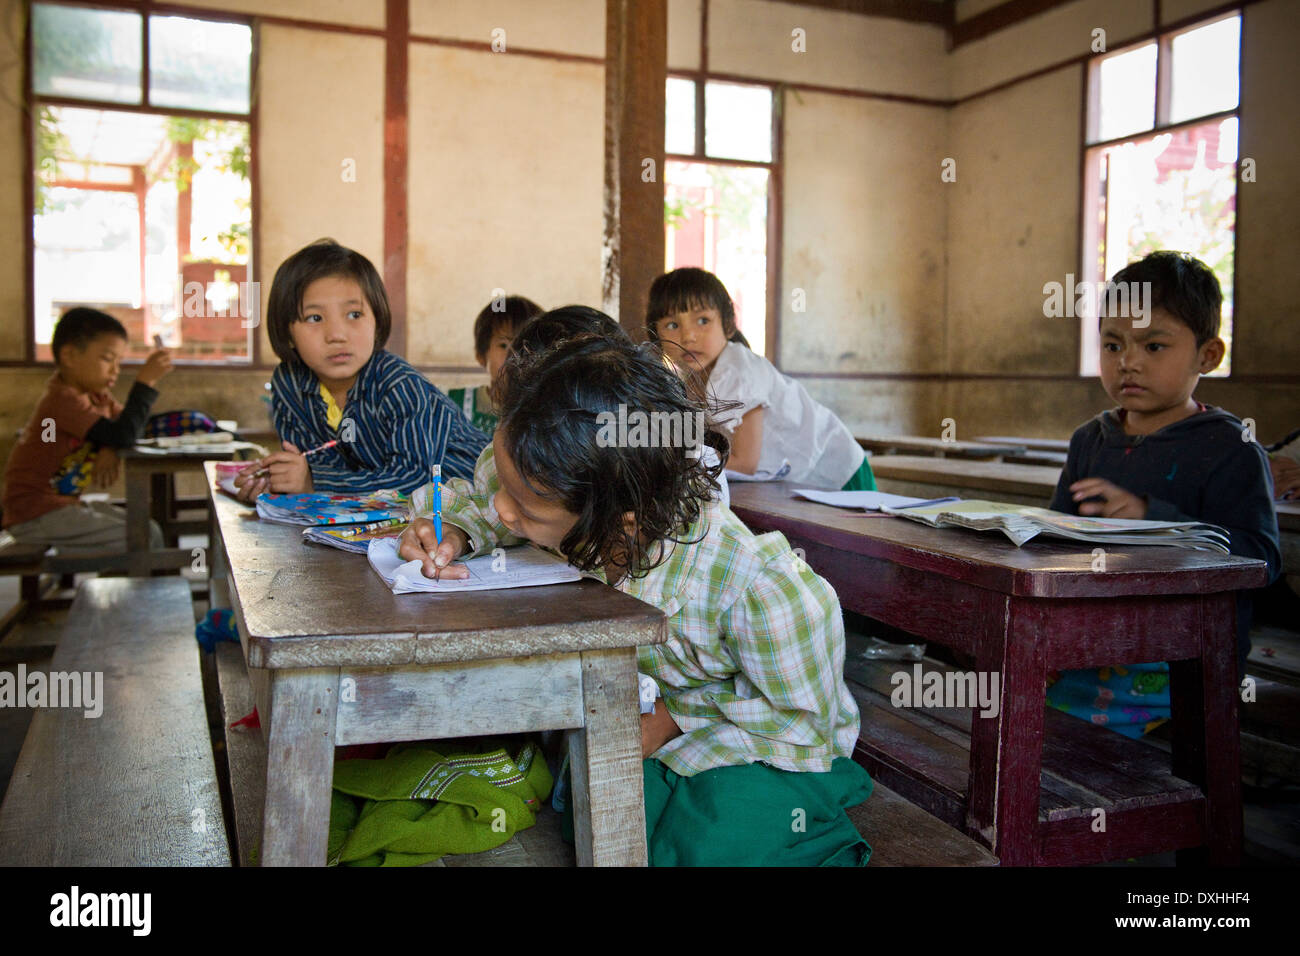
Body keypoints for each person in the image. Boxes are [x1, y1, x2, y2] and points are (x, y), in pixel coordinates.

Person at [400, 330, 872, 866]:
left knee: (713, 837)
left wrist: (673, 718)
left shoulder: (760, 589)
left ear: (617, 522)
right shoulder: (569, 491)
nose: (506, 512)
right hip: (643, 729)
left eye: (526, 509)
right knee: (598, 802)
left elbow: (800, 720)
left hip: (764, 744)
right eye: (507, 489)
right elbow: (485, 505)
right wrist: (455, 531)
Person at [1046, 251, 1281, 737]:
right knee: (1066, 766)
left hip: (1182, 670)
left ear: (1207, 356)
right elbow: (1051, 538)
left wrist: (1156, 522)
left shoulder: (1229, 446)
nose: (1128, 362)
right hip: (1086, 649)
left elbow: (1261, 558)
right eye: (1112, 346)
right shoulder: (1089, 440)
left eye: (1153, 346)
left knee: (1159, 788)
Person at [234, 239, 487, 501]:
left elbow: (414, 479)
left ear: (377, 321)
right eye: (315, 318)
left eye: (354, 314)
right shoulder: (289, 384)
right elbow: (310, 465)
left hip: (483, 499)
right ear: (287, 331)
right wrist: (278, 480)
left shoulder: (398, 383)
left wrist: (314, 481)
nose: (336, 335)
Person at [645, 267, 874, 490]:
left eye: (703, 320)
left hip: (839, 472)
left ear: (727, 324)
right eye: (672, 325)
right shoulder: (689, 380)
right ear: (655, 335)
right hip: (793, 481)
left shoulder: (738, 371)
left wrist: (674, 461)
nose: (688, 336)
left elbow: (744, 464)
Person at [2, 308, 171, 549]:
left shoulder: (97, 397)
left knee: (145, 526)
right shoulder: (62, 400)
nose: (115, 369)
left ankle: (118, 586)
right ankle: (126, 587)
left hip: (60, 506)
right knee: (145, 534)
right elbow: (123, 433)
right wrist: (146, 382)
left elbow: (130, 429)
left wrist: (110, 445)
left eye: (119, 361)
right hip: (34, 515)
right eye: (107, 358)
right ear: (69, 356)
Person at [446, 295, 543, 434]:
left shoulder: (550, 413)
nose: (515, 355)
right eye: (504, 345)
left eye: (526, 345)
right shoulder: (451, 404)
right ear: (481, 355)